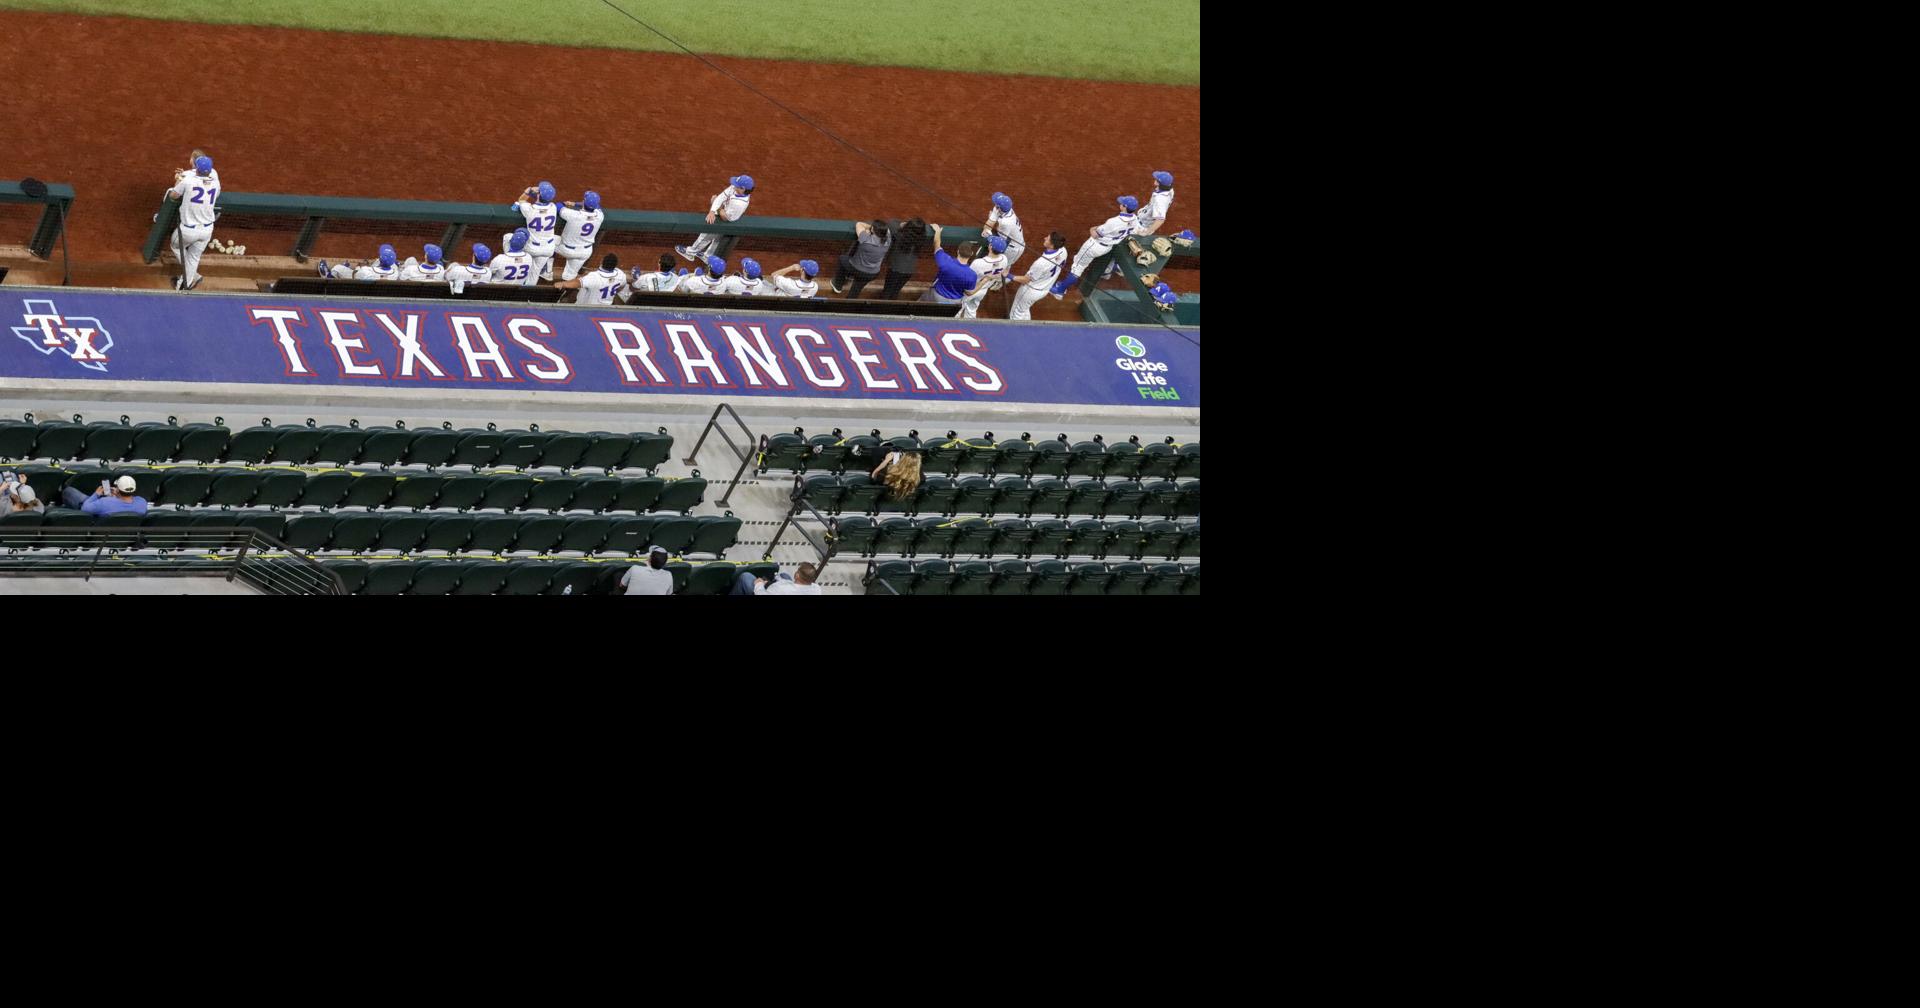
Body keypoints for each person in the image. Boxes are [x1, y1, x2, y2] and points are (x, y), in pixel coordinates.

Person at [1051, 195, 1138, 302]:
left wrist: (1092, 228)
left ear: (1124, 207)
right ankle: (1106, 272)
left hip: (1094, 246)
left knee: (1078, 266)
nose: (1120, 204)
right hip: (1107, 248)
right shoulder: (1135, 219)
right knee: (1082, 264)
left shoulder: (1114, 221)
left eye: (1121, 203)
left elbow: (1095, 234)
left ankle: (1059, 290)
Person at [165, 154, 220, 291]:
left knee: (176, 246)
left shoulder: (187, 182)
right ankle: (190, 280)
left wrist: (178, 179)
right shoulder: (216, 182)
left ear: (196, 169)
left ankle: (182, 285)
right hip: (207, 230)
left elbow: (173, 195)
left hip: (188, 230)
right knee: (194, 257)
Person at [1107, 172, 1176, 278]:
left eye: (1157, 180)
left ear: (1161, 184)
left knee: (1119, 240)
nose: (1154, 181)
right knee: (1128, 243)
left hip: (1142, 226)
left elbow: (1160, 219)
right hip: (1142, 221)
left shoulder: (1160, 200)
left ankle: (1110, 270)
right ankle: (1117, 266)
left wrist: (1146, 232)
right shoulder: (1169, 190)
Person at [678, 174, 754, 263]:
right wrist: (712, 211)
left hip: (728, 220)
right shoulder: (736, 189)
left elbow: (726, 217)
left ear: (743, 189)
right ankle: (707, 256)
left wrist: (717, 208)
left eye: (736, 185)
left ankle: (690, 252)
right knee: (716, 238)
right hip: (725, 212)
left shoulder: (739, 204)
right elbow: (721, 197)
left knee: (706, 235)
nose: (733, 186)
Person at [1006, 231, 1069, 320]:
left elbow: (1025, 280)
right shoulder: (1063, 251)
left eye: (1047, 238)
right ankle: (1027, 327)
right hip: (1044, 289)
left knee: (1016, 314)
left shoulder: (1041, 263)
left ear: (1052, 245)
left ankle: (1014, 332)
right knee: (1023, 309)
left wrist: (1008, 275)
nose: (1045, 238)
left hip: (1030, 291)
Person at [509, 181, 562, 281]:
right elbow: (543, 201)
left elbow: (521, 200)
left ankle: (510, 261)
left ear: (539, 194)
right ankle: (528, 294)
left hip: (531, 248)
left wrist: (528, 191)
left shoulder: (529, 209)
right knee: (534, 274)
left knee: (508, 238)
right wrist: (540, 193)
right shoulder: (553, 207)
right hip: (548, 249)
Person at [918, 224, 979, 304]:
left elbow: (937, 245)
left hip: (936, 296)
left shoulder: (946, 261)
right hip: (954, 302)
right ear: (971, 254)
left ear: (958, 251)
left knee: (918, 306)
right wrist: (985, 280)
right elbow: (969, 292)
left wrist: (937, 232)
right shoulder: (972, 275)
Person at [832, 219, 891, 297]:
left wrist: (870, 228)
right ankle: (849, 303)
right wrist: (874, 230)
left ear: (873, 229)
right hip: (872, 274)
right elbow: (888, 231)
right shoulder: (888, 240)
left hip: (856, 269)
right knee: (856, 290)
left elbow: (859, 224)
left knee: (842, 259)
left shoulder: (865, 238)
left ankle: (838, 285)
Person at [555, 190, 605, 281]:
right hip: (585, 252)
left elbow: (558, 206)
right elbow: (597, 206)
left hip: (566, 249)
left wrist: (567, 203)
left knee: (546, 241)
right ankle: (564, 292)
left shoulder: (573, 214)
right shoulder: (600, 216)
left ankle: (546, 271)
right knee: (569, 277)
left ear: (584, 202)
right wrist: (577, 204)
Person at [956, 235, 1011, 319]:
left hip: (971, 290)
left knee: (958, 310)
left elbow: (967, 276)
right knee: (972, 309)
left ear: (990, 247)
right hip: (983, 290)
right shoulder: (1004, 259)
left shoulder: (979, 263)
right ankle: (970, 326)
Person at [880, 217, 928, 299]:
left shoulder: (898, 234)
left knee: (887, 292)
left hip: (895, 269)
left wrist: (902, 224)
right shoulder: (922, 239)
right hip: (909, 271)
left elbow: (892, 222)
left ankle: (879, 309)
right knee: (895, 292)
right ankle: (889, 308)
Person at [554, 253, 629, 305]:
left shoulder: (594, 277)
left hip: (587, 308)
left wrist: (562, 284)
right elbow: (621, 287)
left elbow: (577, 283)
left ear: (602, 261)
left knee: (571, 292)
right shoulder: (620, 274)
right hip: (606, 307)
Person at [981, 192, 1026, 272]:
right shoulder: (1002, 209)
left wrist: (989, 233)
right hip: (1008, 238)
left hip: (1014, 247)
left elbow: (1001, 239)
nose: (994, 204)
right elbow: (987, 226)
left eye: (996, 203)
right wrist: (988, 228)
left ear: (999, 207)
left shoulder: (1006, 222)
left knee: (1002, 267)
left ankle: (997, 282)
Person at [63, 475, 149, 516]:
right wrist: (117, 496)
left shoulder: (105, 502)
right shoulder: (142, 503)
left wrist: (96, 494)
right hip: (118, 531)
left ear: (118, 489)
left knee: (69, 491)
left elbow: (85, 509)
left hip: (93, 513)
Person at [318, 243, 401, 281]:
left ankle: (326, 277)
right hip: (379, 291)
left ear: (381, 258)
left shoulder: (366, 271)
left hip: (360, 289)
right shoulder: (396, 273)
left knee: (337, 268)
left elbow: (355, 275)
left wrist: (360, 267)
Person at [732, 562, 823, 596]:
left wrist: (759, 584)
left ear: (797, 576)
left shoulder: (782, 589)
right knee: (784, 575)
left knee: (746, 577)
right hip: (780, 590)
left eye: (798, 571)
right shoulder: (817, 589)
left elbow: (761, 593)